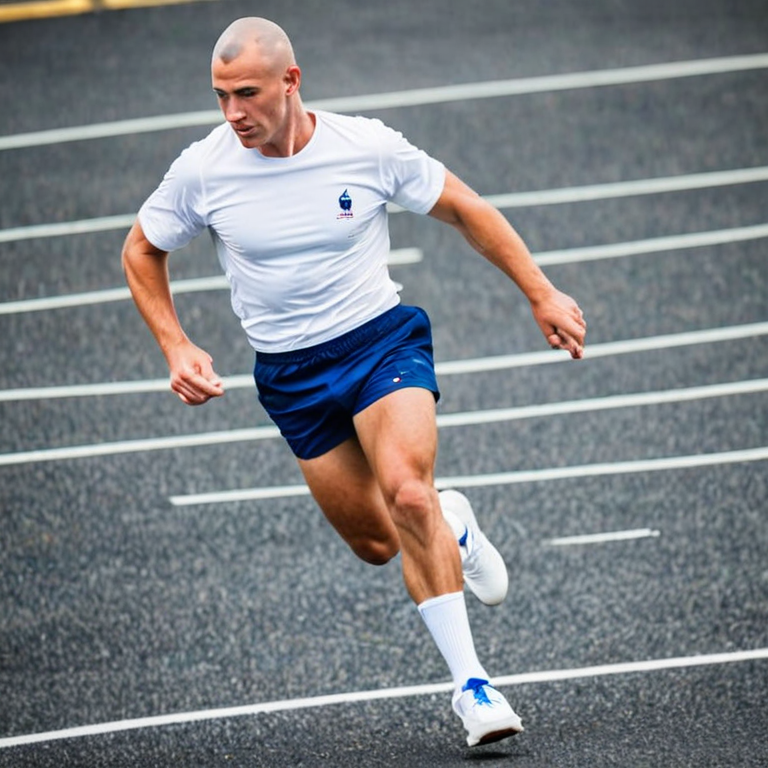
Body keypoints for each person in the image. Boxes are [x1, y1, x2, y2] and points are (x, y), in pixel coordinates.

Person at [122, 17, 586, 748]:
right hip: (291, 375)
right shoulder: (204, 170)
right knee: (377, 543)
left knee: (406, 490)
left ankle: (473, 688)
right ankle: (454, 524)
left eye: (246, 93)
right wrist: (175, 345)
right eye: (219, 96)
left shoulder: (364, 147)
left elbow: (464, 207)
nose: (233, 113)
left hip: (379, 345)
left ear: (290, 81)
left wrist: (541, 293)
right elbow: (141, 249)